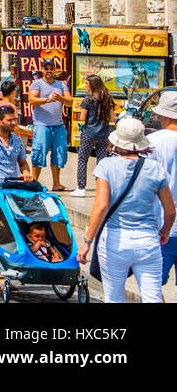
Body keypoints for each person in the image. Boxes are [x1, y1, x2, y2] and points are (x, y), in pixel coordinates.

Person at [77, 116, 174, 303]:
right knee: (153, 298)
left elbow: (101, 206)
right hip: (148, 240)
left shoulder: (106, 166)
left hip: (115, 239)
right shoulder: (155, 168)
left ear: (116, 140)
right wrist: (164, 231)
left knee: (114, 298)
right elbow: (170, 211)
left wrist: (88, 241)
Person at [146, 90, 177, 288]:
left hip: (162, 226)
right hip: (165, 226)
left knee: (152, 287)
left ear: (164, 115)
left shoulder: (152, 142)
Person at [28, 60, 71, 191]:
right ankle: (34, 183)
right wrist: (48, 99)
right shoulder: (37, 84)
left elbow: (70, 102)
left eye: (51, 68)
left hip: (58, 125)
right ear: (42, 70)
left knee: (59, 154)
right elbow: (32, 100)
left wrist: (61, 99)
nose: (48, 71)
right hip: (42, 125)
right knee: (39, 153)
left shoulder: (61, 85)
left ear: (54, 70)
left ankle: (56, 184)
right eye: (46, 68)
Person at [72, 73, 114, 197]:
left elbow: (83, 117)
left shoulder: (88, 100)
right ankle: (101, 187)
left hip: (88, 134)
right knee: (102, 161)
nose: (85, 85)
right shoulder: (108, 99)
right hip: (104, 134)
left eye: (87, 83)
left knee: (82, 159)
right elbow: (112, 118)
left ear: (92, 85)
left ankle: (81, 188)